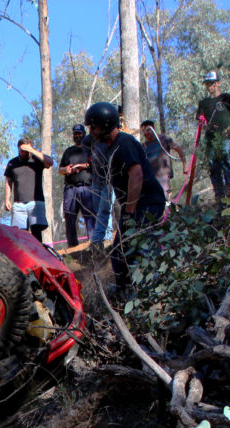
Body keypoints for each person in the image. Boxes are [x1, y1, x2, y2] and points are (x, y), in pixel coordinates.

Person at [85, 101, 166, 289]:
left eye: (93, 127)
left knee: (140, 249)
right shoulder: (111, 148)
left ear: (105, 125)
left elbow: (136, 175)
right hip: (135, 207)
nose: (91, 132)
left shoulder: (124, 143)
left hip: (147, 203)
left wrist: (129, 212)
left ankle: (150, 292)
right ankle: (125, 293)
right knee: (119, 255)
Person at [3, 137, 55, 241]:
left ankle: (39, 254)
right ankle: (21, 256)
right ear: (18, 149)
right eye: (22, 150)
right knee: (20, 234)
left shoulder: (37, 160)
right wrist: (7, 199)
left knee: (36, 231)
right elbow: (8, 181)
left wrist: (32, 150)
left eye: (27, 150)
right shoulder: (12, 163)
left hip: (35, 202)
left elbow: (50, 162)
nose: (24, 153)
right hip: (19, 204)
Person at [195, 71, 230, 200]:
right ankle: (219, 194)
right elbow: (200, 121)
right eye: (207, 84)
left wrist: (228, 128)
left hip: (225, 135)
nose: (210, 86)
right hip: (211, 138)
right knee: (213, 166)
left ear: (218, 83)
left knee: (227, 162)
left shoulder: (226, 98)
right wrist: (206, 127)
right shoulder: (203, 102)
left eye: (212, 83)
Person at [58, 124, 95, 248]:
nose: (78, 136)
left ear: (84, 134)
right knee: (69, 218)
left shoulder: (89, 149)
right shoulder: (68, 151)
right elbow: (60, 169)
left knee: (90, 217)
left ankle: (93, 244)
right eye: (75, 134)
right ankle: (72, 247)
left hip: (87, 187)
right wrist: (66, 170)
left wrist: (82, 166)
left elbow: (95, 164)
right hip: (70, 188)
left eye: (80, 133)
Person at [139, 120, 185, 199]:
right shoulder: (143, 146)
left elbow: (178, 149)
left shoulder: (164, 139)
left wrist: (185, 165)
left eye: (148, 130)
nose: (146, 133)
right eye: (144, 132)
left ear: (153, 128)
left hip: (163, 176)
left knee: (163, 198)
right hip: (150, 178)